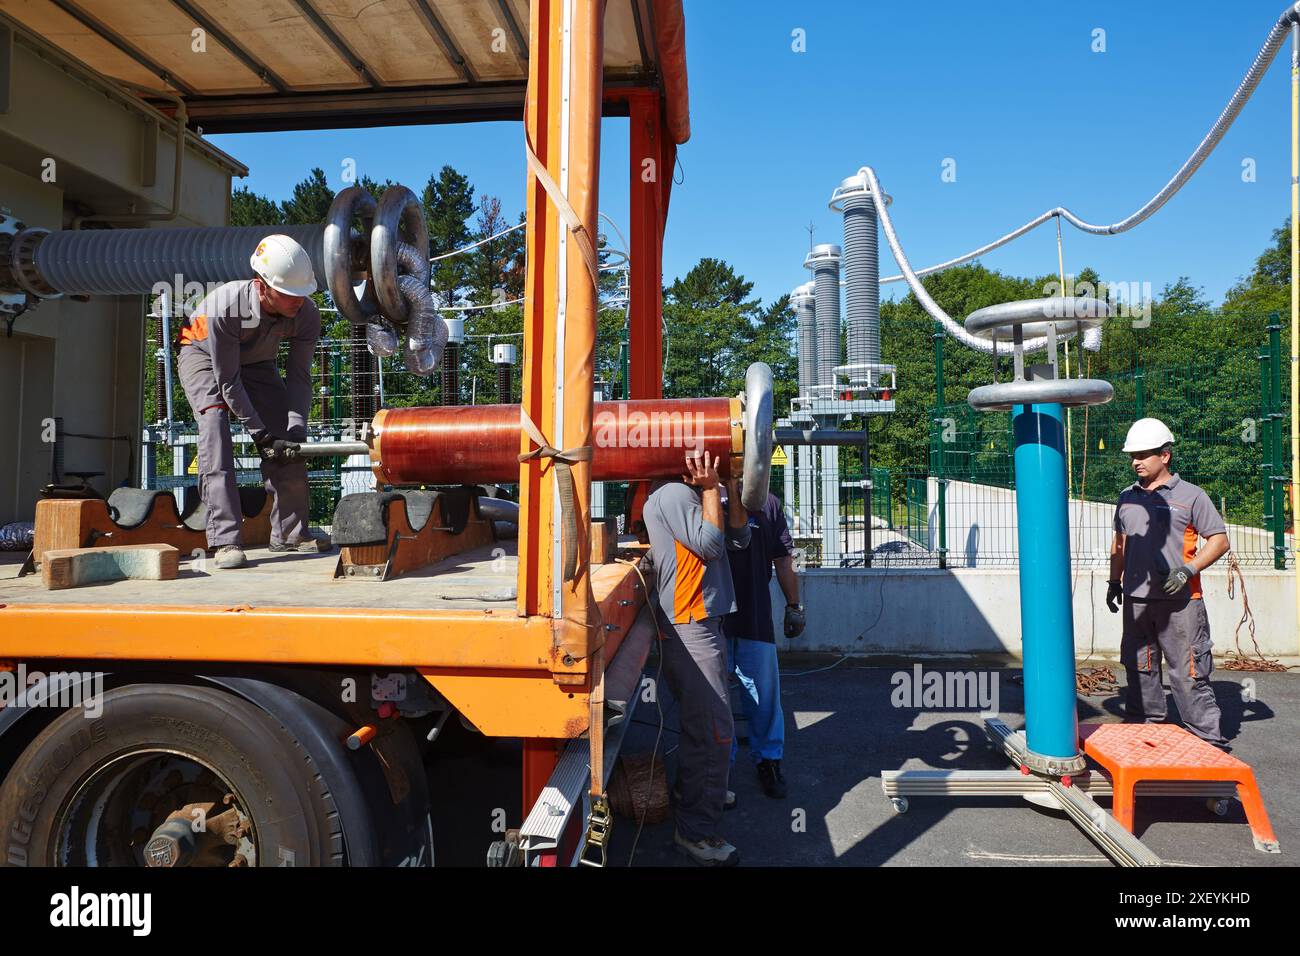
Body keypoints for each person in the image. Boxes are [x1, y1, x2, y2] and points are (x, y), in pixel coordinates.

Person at [176, 234, 331, 569]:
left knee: (286, 437)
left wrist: (295, 428)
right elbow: (227, 381)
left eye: (303, 294)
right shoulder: (226, 308)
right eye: (289, 295)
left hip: (257, 363)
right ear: (262, 287)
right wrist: (261, 435)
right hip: (203, 356)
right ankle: (226, 540)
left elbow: (300, 377)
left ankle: (291, 533)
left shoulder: (307, 314)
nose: (298, 302)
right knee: (215, 426)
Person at [641, 450, 750, 866]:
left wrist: (731, 487)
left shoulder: (697, 493)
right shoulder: (673, 493)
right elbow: (711, 546)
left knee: (702, 726)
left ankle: (704, 789)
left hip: (705, 622)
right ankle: (696, 833)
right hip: (691, 622)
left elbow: (740, 538)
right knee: (714, 730)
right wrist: (709, 489)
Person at [1107, 417, 1230, 749]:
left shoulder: (1191, 496)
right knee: (1140, 670)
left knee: (1188, 674)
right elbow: (1119, 545)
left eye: (1144, 454)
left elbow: (1219, 540)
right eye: (1133, 455)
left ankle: (1208, 744)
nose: (1136, 462)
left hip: (1181, 603)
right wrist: (1113, 581)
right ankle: (1147, 736)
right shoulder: (1126, 497)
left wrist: (1187, 570)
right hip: (1137, 602)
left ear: (1165, 455)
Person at [721, 487, 804, 799]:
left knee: (765, 698)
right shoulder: (702, 495)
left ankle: (769, 761)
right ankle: (718, 770)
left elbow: (784, 557)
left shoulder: (767, 504)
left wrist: (795, 605)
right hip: (712, 622)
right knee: (715, 702)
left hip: (755, 618)